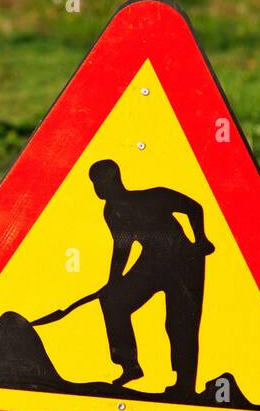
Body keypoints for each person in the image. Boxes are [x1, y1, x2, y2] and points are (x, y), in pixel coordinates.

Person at [88, 159, 214, 395]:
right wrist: (113, 282)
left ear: (114, 180)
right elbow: (122, 245)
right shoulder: (111, 211)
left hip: (182, 260)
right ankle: (129, 365)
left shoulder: (153, 197)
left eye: (99, 182)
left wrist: (201, 240)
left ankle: (185, 384)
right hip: (153, 262)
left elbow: (194, 207)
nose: (97, 188)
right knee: (114, 301)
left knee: (179, 323)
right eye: (94, 183)